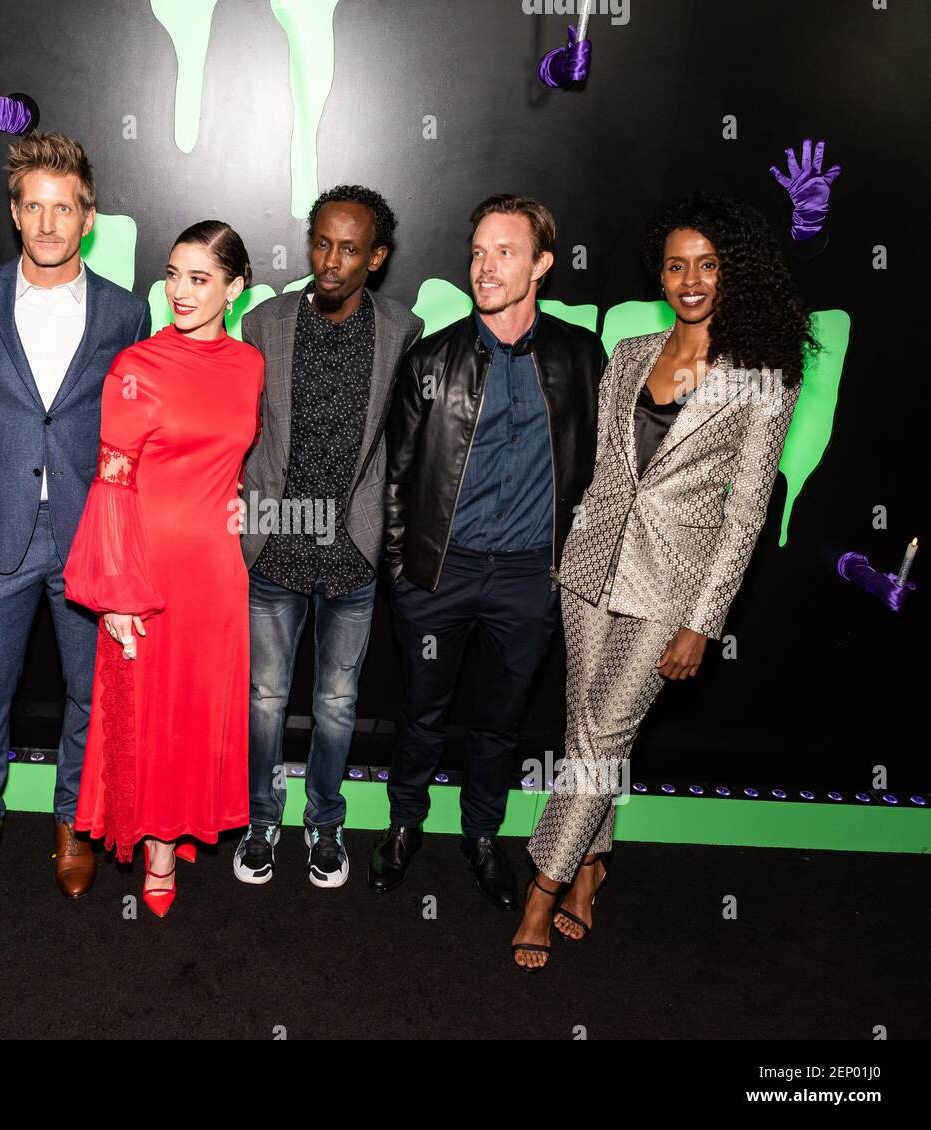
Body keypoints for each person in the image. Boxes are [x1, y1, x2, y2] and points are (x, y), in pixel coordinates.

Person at [511, 195, 811, 971]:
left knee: (604, 736)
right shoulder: (632, 351)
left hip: (670, 588)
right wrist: (569, 554)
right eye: (677, 265)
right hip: (588, 572)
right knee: (586, 733)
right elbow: (610, 472)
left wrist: (701, 622)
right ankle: (590, 866)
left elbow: (746, 515)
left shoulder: (762, 382)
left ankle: (542, 887)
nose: (690, 280)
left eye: (708, 266)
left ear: (732, 275)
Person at [0, 132, 149, 905]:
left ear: (88, 217)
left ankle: (73, 822)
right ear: (14, 214)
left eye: (65, 208)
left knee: (91, 694)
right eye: (34, 208)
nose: (49, 223)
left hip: (91, 539)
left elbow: (139, 426)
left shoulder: (127, 312)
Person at [375, 195, 605, 908]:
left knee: (501, 723)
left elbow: (605, 467)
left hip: (530, 578)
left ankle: (481, 835)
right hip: (438, 575)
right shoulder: (431, 359)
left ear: (541, 264)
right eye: (477, 251)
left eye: (505, 251)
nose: (485, 266)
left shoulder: (580, 355)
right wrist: (402, 577)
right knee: (421, 713)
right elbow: (396, 480)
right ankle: (404, 827)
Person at [63, 221, 264, 917]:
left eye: (200, 278)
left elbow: (249, 459)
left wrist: (251, 506)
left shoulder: (249, 366)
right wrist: (114, 592)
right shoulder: (136, 366)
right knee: (148, 714)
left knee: (198, 711)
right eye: (173, 275)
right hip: (144, 569)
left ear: (235, 289)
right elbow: (112, 481)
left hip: (216, 573)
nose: (180, 291)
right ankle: (155, 850)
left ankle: (179, 825)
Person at [234, 186, 422, 888]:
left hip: (353, 550)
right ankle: (261, 819)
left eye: (349, 248)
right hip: (275, 544)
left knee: (338, 704)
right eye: (321, 243)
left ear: (376, 257)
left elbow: (405, 444)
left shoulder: (403, 330)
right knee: (267, 700)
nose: (331, 261)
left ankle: (325, 820)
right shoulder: (265, 324)